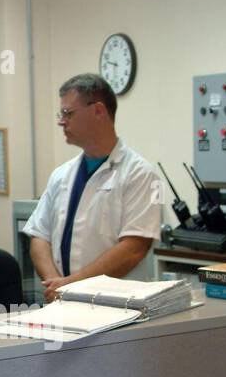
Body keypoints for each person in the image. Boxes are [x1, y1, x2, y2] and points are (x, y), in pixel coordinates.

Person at [24, 74, 162, 301]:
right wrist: (55, 284)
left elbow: (134, 248)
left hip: (118, 306)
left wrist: (71, 284)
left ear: (98, 111)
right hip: (61, 301)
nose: (61, 121)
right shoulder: (61, 175)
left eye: (68, 113)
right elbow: (39, 236)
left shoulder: (143, 175)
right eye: (61, 114)